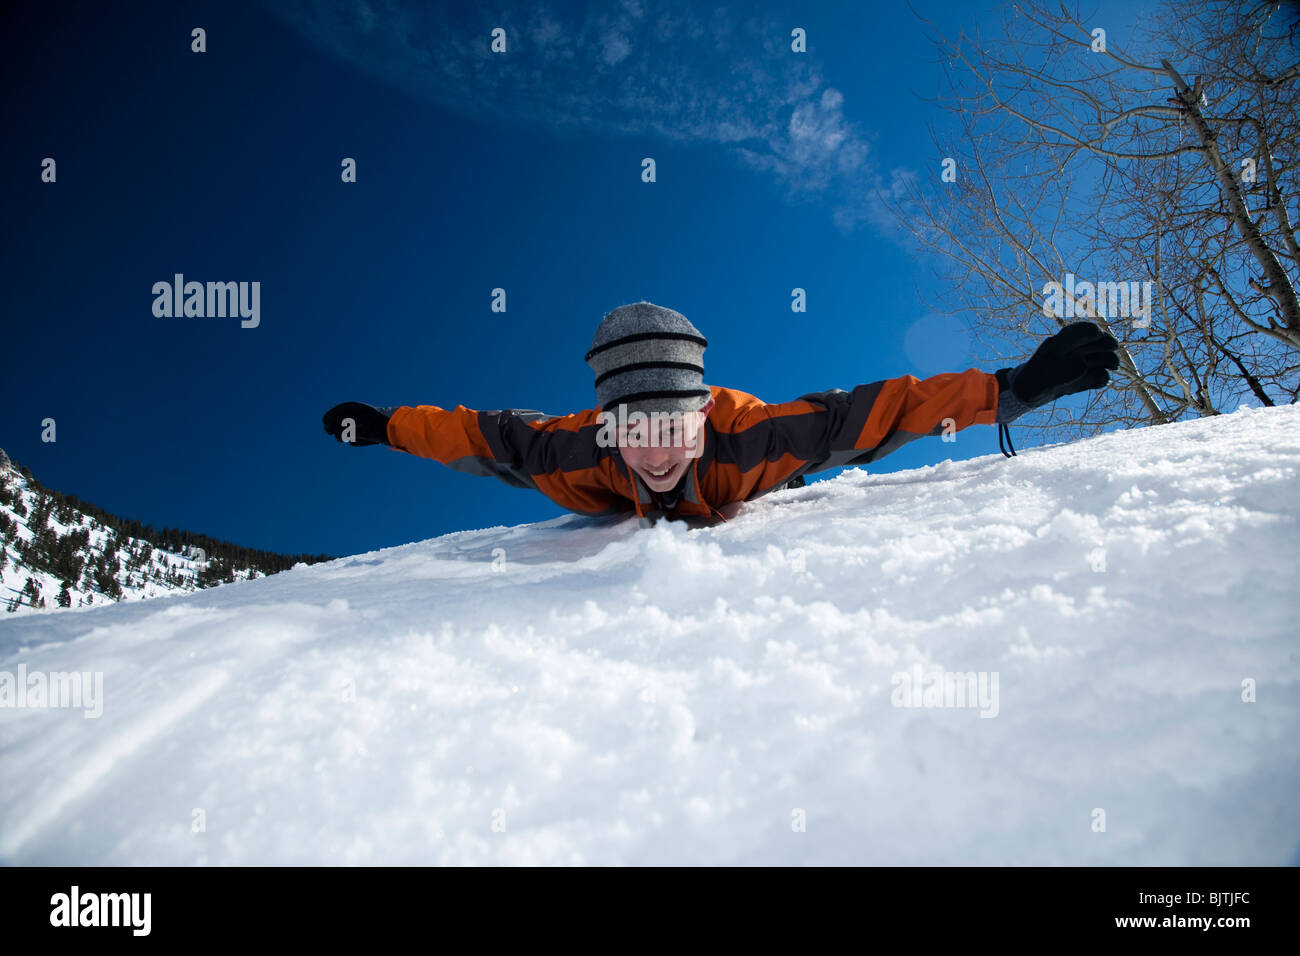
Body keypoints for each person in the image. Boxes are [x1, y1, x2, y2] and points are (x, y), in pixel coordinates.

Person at [322, 301, 1119, 526]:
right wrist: (387, 425)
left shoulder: (752, 437)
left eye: (673, 427)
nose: (658, 452)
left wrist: (1009, 389)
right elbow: (487, 436)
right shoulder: (580, 455)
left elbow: (874, 415)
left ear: (701, 416)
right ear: (610, 429)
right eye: (636, 432)